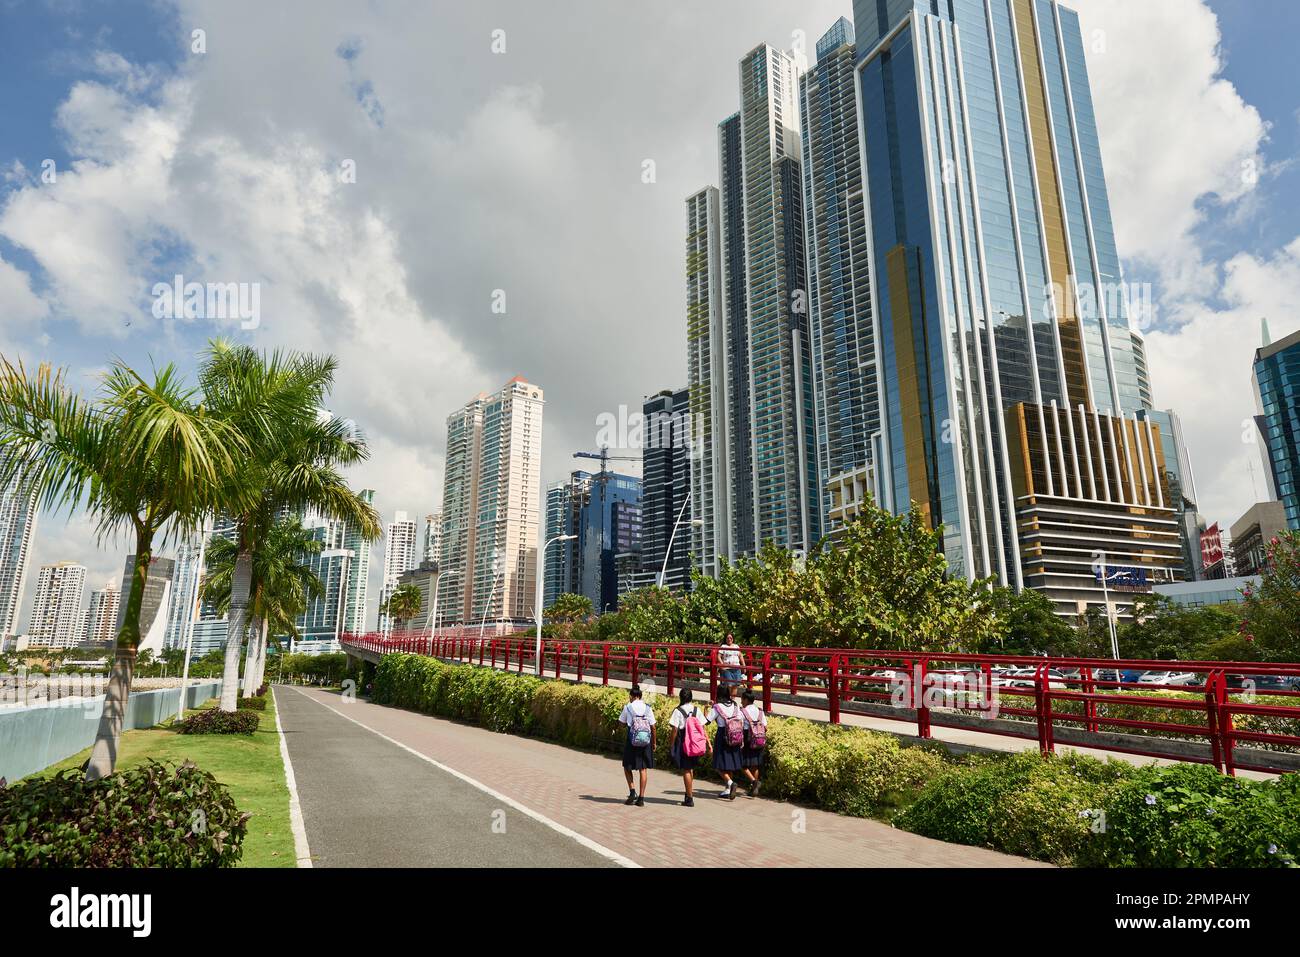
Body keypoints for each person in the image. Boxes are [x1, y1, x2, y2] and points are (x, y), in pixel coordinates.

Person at [667, 687, 712, 807]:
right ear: (691, 697)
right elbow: (703, 728)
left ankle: (689, 798)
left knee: (686, 769)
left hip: (684, 741)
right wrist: (708, 743)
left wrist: (671, 745)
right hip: (696, 743)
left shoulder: (678, 711)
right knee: (690, 768)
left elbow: (675, 729)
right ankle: (688, 793)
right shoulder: (696, 710)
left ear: (681, 697)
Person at [618, 684, 656, 806]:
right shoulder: (648, 707)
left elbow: (621, 723)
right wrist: (654, 742)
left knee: (627, 766)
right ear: (640, 696)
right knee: (643, 769)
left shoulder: (628, 707)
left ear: (632, 696)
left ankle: (632, 790)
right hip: (645, 742)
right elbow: (653, 727)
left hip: (632, 740)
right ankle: (641, 798)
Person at [706, 684, 745, 800]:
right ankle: (728, 789)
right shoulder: (735, 705)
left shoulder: (717, 707)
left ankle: (730, 783)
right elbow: (741, 719)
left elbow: (706, 721)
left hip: (723, 735)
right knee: (730, 764)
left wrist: (706, 709)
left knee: (718, 764)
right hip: (735, 735)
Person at [739, 689, 766, 796]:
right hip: (759, 739)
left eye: (742, 700)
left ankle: (754, 782)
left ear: (746, 700)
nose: (741, 702)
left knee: (741, 763)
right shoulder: (760, 711)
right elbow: (765, 726)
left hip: (747, 738)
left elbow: (739, 725)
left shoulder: (743, 711)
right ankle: (754, 789)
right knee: (755, 764)